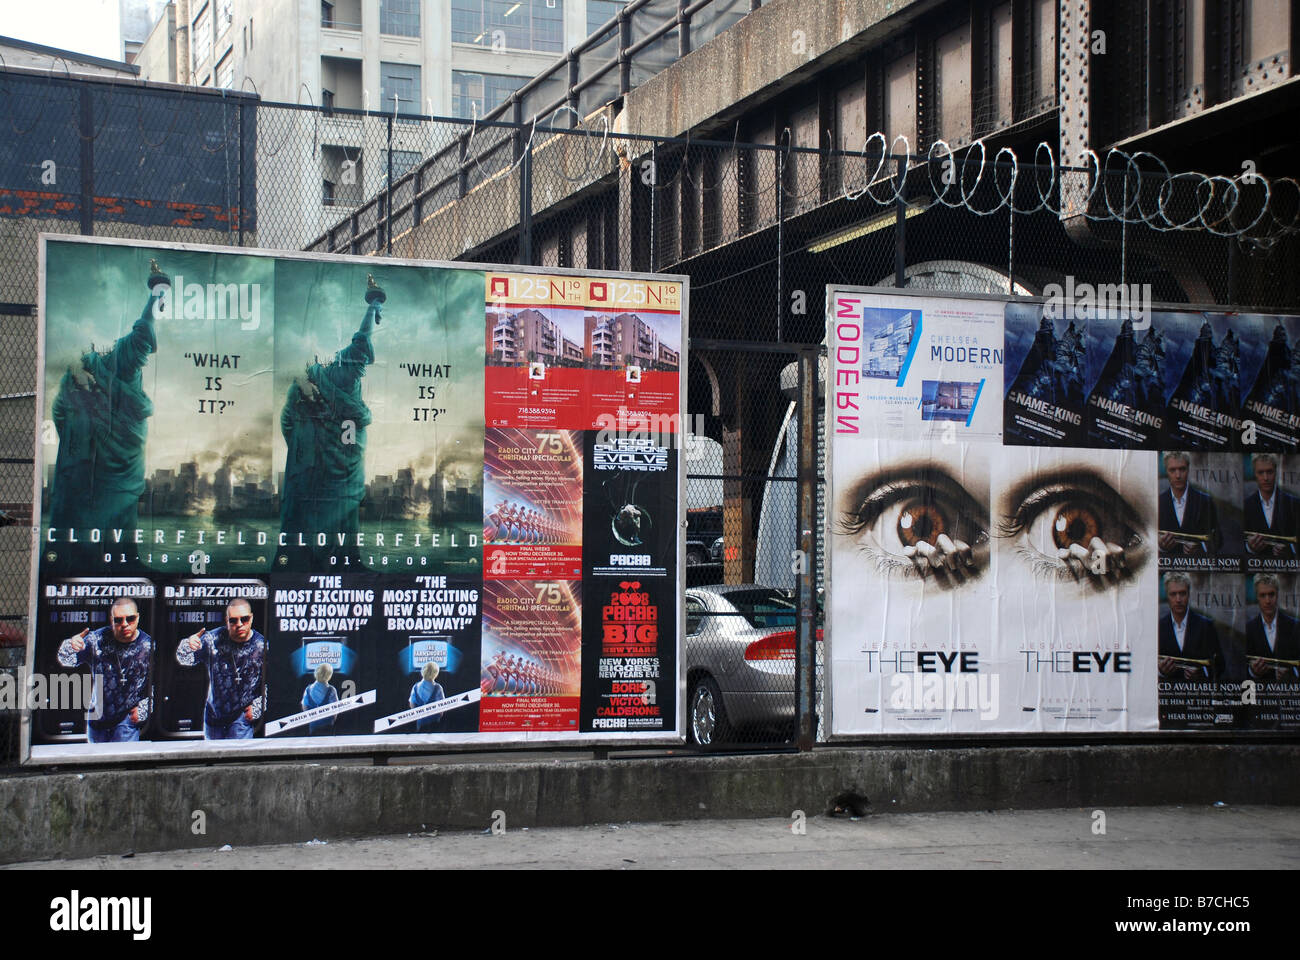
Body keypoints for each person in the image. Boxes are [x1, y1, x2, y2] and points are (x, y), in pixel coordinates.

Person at [47, 281, 161, 567]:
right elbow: (141, 336)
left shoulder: (84, 384)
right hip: (104, 486)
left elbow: (62, 418)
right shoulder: (104, 381)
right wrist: (156, 296)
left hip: (97, 487)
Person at [276, 287, 384, 570]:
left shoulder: (306, 387)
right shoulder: (339, 377)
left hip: (311, 482)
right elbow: (360, 345)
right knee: (338, 546)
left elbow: (287, 424)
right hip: (335, 484)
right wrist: (372, 308)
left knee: (304, 549)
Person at [56, 596, 152, 743]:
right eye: (118, 620)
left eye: (130, 618)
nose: (125, 624)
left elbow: (160, 679)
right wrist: (70, 646)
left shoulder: (148, 645)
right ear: (111, 619)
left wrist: (145, 708)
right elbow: (65, 660)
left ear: (138, 618)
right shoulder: (96, 639)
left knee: (123, 761)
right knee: (95, 763)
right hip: (98, 719)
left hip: (126, 721)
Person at [175, 598, 267, 739]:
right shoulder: (212, 639)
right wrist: (187, 645)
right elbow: (184, 659)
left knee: (237, 759)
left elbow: (274, 679)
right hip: (213, 715)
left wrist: (258, 706)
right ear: (226, 620)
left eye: (244, 619)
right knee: (211, 757)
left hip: (241, 717)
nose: (239, 624)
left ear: (252, 618)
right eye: (233, 620)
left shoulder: (262, 646)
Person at [1158, 572, 1224, 680]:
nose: (1178, 599)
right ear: (1167, 595)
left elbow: (1220, 664)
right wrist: (1160, 672)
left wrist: (1203, 673)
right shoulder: (1158, 627)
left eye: (1182, 593)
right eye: (1173, 594)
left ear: (1189, 594)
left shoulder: (1206, 625)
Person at [1157, 451, 1221, 557]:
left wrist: (1202, 548)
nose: (1178, 475)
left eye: (1182, 469)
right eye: (1172, 470)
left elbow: (1218, 539)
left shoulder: (1205, 501)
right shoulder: (1158, 502)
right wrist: (1160, 547)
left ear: (1188, 469)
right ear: (1166, 471)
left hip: (1197, 568)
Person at [1243, 454, 1298, 560]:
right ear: (1255, 474)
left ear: (1276, 472)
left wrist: (1291, 550)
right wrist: (1250, 548)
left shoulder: (1295, 504)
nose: (1266, 478)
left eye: (1269, 472)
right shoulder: (1246, 505)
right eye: (1260, 472)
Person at [1246, 574, 1300, 681]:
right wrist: (1253, 672)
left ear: (1277, 595)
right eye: (1263, 595)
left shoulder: (1295, 626)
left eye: (1271, 594)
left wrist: (1292, 675)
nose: (1267, 601)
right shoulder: (1249, 628)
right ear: (1257, 597)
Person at [300, 662, 339, 735]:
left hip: (313, 725)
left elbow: (304, 706)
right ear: (329, 675)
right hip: (328, 725)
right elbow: (335, 709)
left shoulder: (308, 689)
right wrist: (333, 720)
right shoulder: (332, 690)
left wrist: (309, 719)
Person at [408, 662, 447, 733]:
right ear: (435, 673)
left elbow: (412, 704)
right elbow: (442, 706)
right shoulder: (438, 688)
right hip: (434, 723)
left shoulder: (415, 687)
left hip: (420, 723)